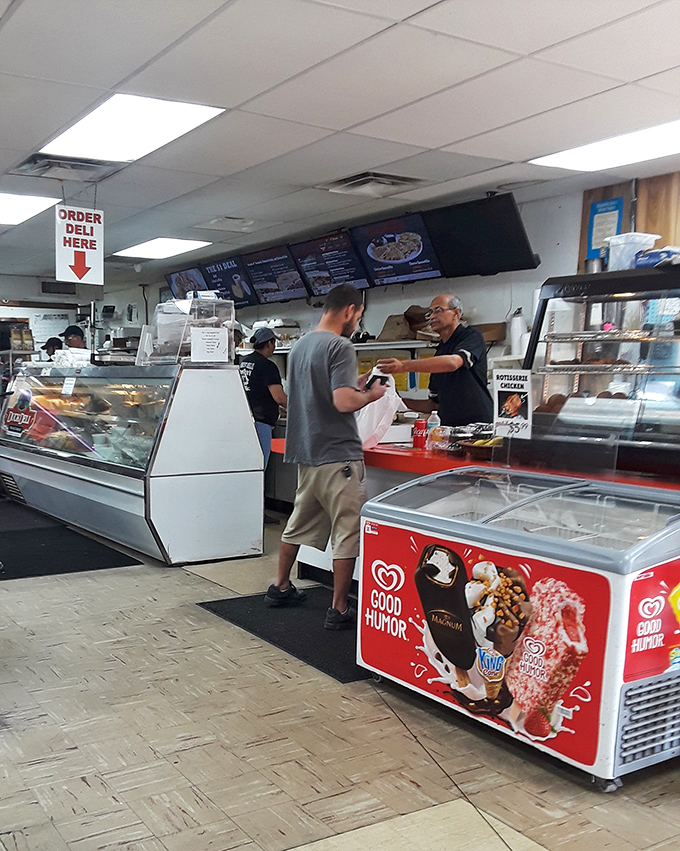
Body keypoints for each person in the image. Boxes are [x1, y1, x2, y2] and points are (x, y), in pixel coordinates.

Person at [265, 284, 387, 630]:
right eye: (358, 316)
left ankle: (280, 586)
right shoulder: (340, 345)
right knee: (347, 531)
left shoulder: (302, 345)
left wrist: (355, 382)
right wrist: (372, 395)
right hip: (338, 456)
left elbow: (317, 390)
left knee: (297, 523)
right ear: (349, 310)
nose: (356, 323)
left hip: (307, 454)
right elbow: (343, 402)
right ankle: (339, 608)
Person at [377, 294, 493, 427]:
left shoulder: (471, 336)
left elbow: (453, 362)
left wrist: (403, 366)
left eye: (438, 310)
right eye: (430, 313)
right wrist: (396, 400)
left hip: (478, 426)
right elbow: (433, 404)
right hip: (448, 428)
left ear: (456, 313)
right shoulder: (439, 352)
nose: (432, 317)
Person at [239, 328, 287, 524]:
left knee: (248, 469)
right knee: (259, 470)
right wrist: (300, 409)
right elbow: (279, 397)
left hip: (245, 421)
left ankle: (246, 511)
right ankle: (257, 514)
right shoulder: (268, 366)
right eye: (273, 343)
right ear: (269, 343)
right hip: (261, 424)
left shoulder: (245, 362)